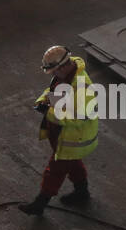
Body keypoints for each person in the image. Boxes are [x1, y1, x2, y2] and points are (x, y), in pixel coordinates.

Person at [18, 45, 98, 215]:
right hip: (62, 135)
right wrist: (43, 101)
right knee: (73, 164)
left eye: (54, 71)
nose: (53, 74)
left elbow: (77, 117)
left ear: (64, 65)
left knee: (54, 171)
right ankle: (82, 192)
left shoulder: (83, 88)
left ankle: (40, 204)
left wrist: (50, 112)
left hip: (73, 138)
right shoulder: (64, 77)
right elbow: (51, 92)